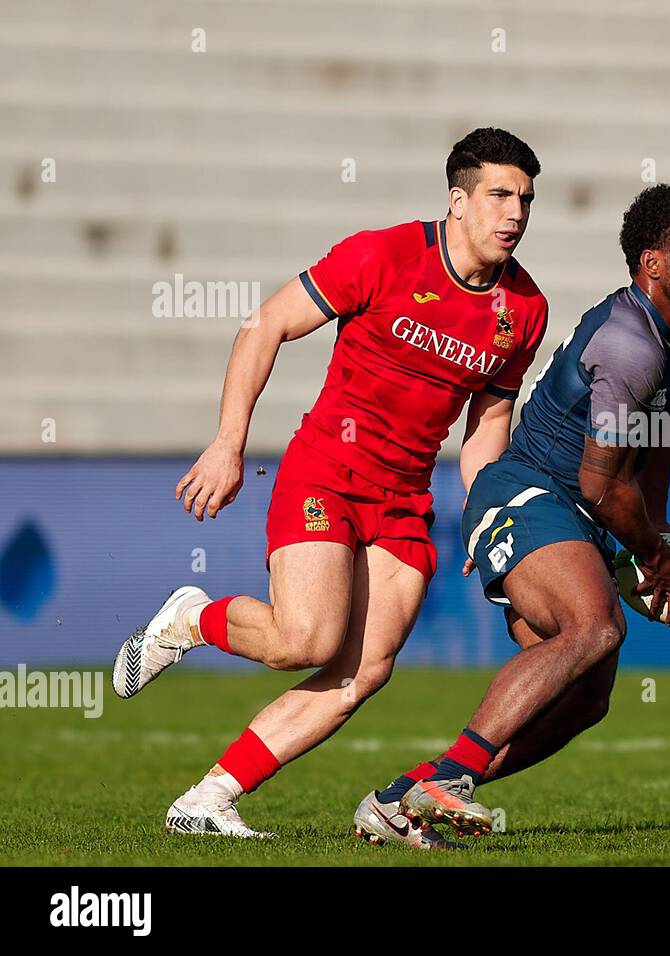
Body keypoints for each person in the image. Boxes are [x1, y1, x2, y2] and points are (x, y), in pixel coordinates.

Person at [111, 128, 549, 845]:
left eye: (526, 199)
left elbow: (487, 424)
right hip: (327, 470)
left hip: (405, 497)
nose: (515, 213)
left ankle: (209, 798)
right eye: (500, 195)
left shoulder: (523, 310)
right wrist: (228, 443)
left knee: (362, 673)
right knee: (304, 639)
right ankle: (193, 620)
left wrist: (484, 510)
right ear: (458, 200)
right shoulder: (381, 254)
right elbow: (267, 324)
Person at [355, 183, 670, 843]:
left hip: (575, 513)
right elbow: (602, 484)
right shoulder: (629, 345)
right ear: (654, 264)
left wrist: (659, 525)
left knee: (587, 697)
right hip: (526, 494)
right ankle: (452, 780)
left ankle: (405, 797)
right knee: (593, 628)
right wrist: (652, 554)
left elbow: (657, 437)